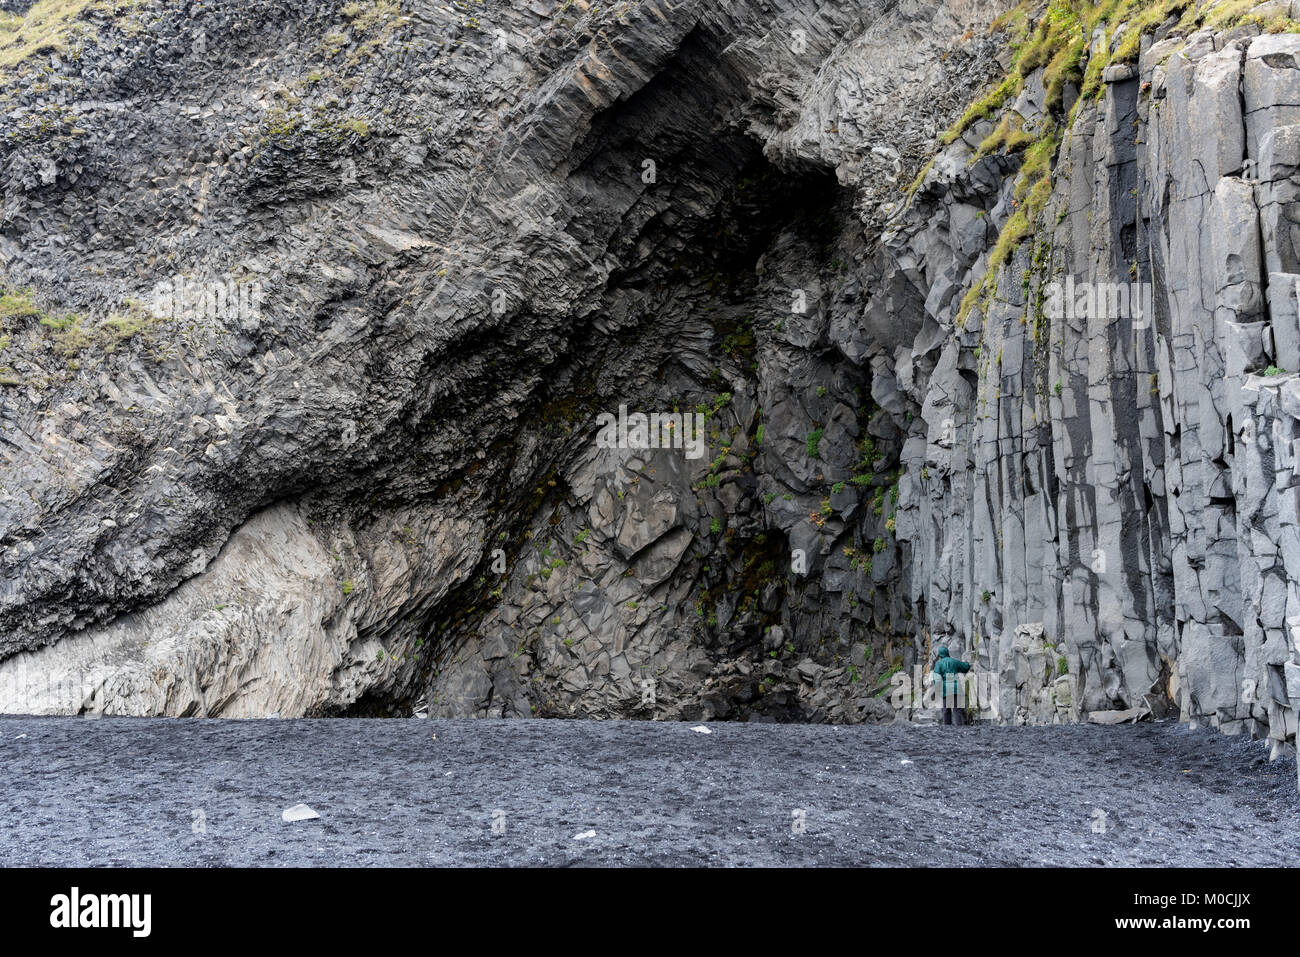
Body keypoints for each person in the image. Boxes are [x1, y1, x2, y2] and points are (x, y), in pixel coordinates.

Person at [932, 645, 971, 726]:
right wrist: (967, 661)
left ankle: (947, 729)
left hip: (946, 689)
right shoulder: (954, 661)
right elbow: (965, 667)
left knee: (946, 710)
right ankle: (958, 728)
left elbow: (937, 678)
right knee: (957, 709)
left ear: (940, 655)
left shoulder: (938, 664)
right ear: (947, 653)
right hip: (956, 687)